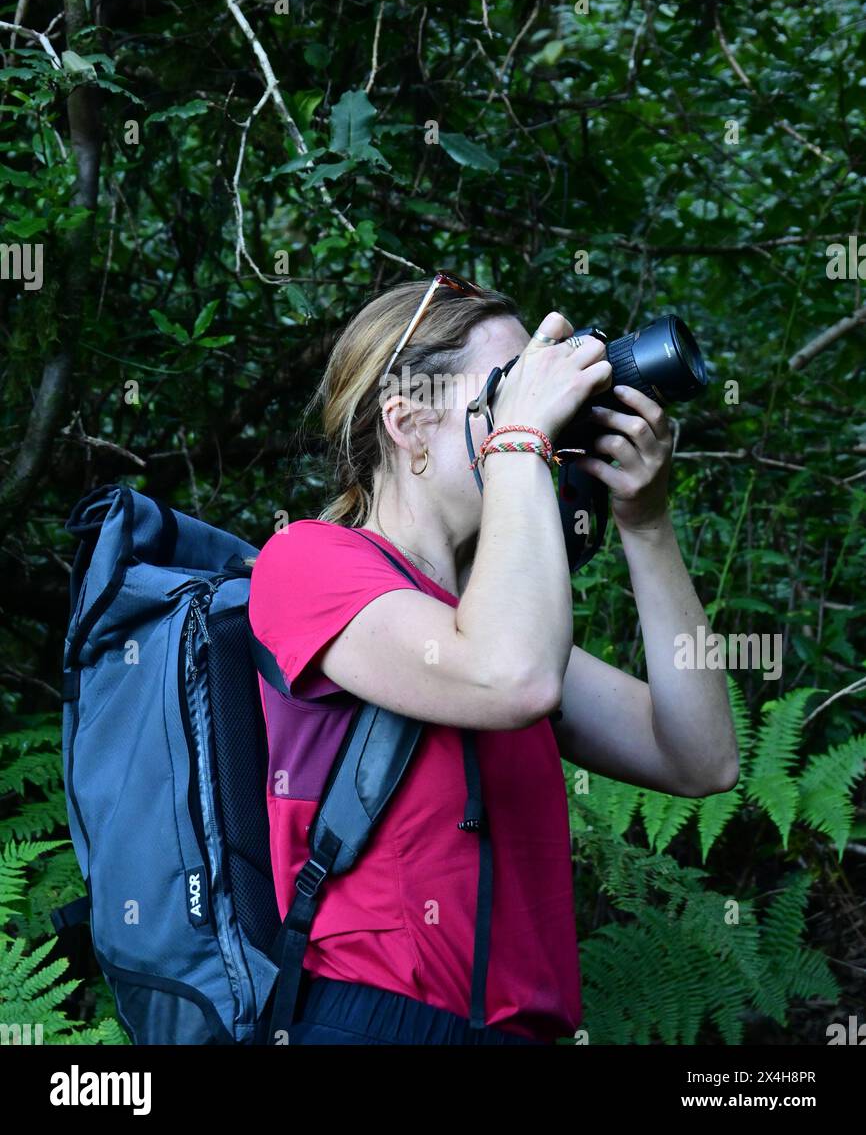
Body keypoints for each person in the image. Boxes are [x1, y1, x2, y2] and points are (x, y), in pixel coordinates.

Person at [248, 272, 739, 1045]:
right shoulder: (306, 562)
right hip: (374, 1026)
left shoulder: (486, 625)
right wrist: (520, 441)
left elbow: (700, 756)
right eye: (506, 393)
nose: (537, 418)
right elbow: (514, 678)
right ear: (407, 424)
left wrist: (646, 524)